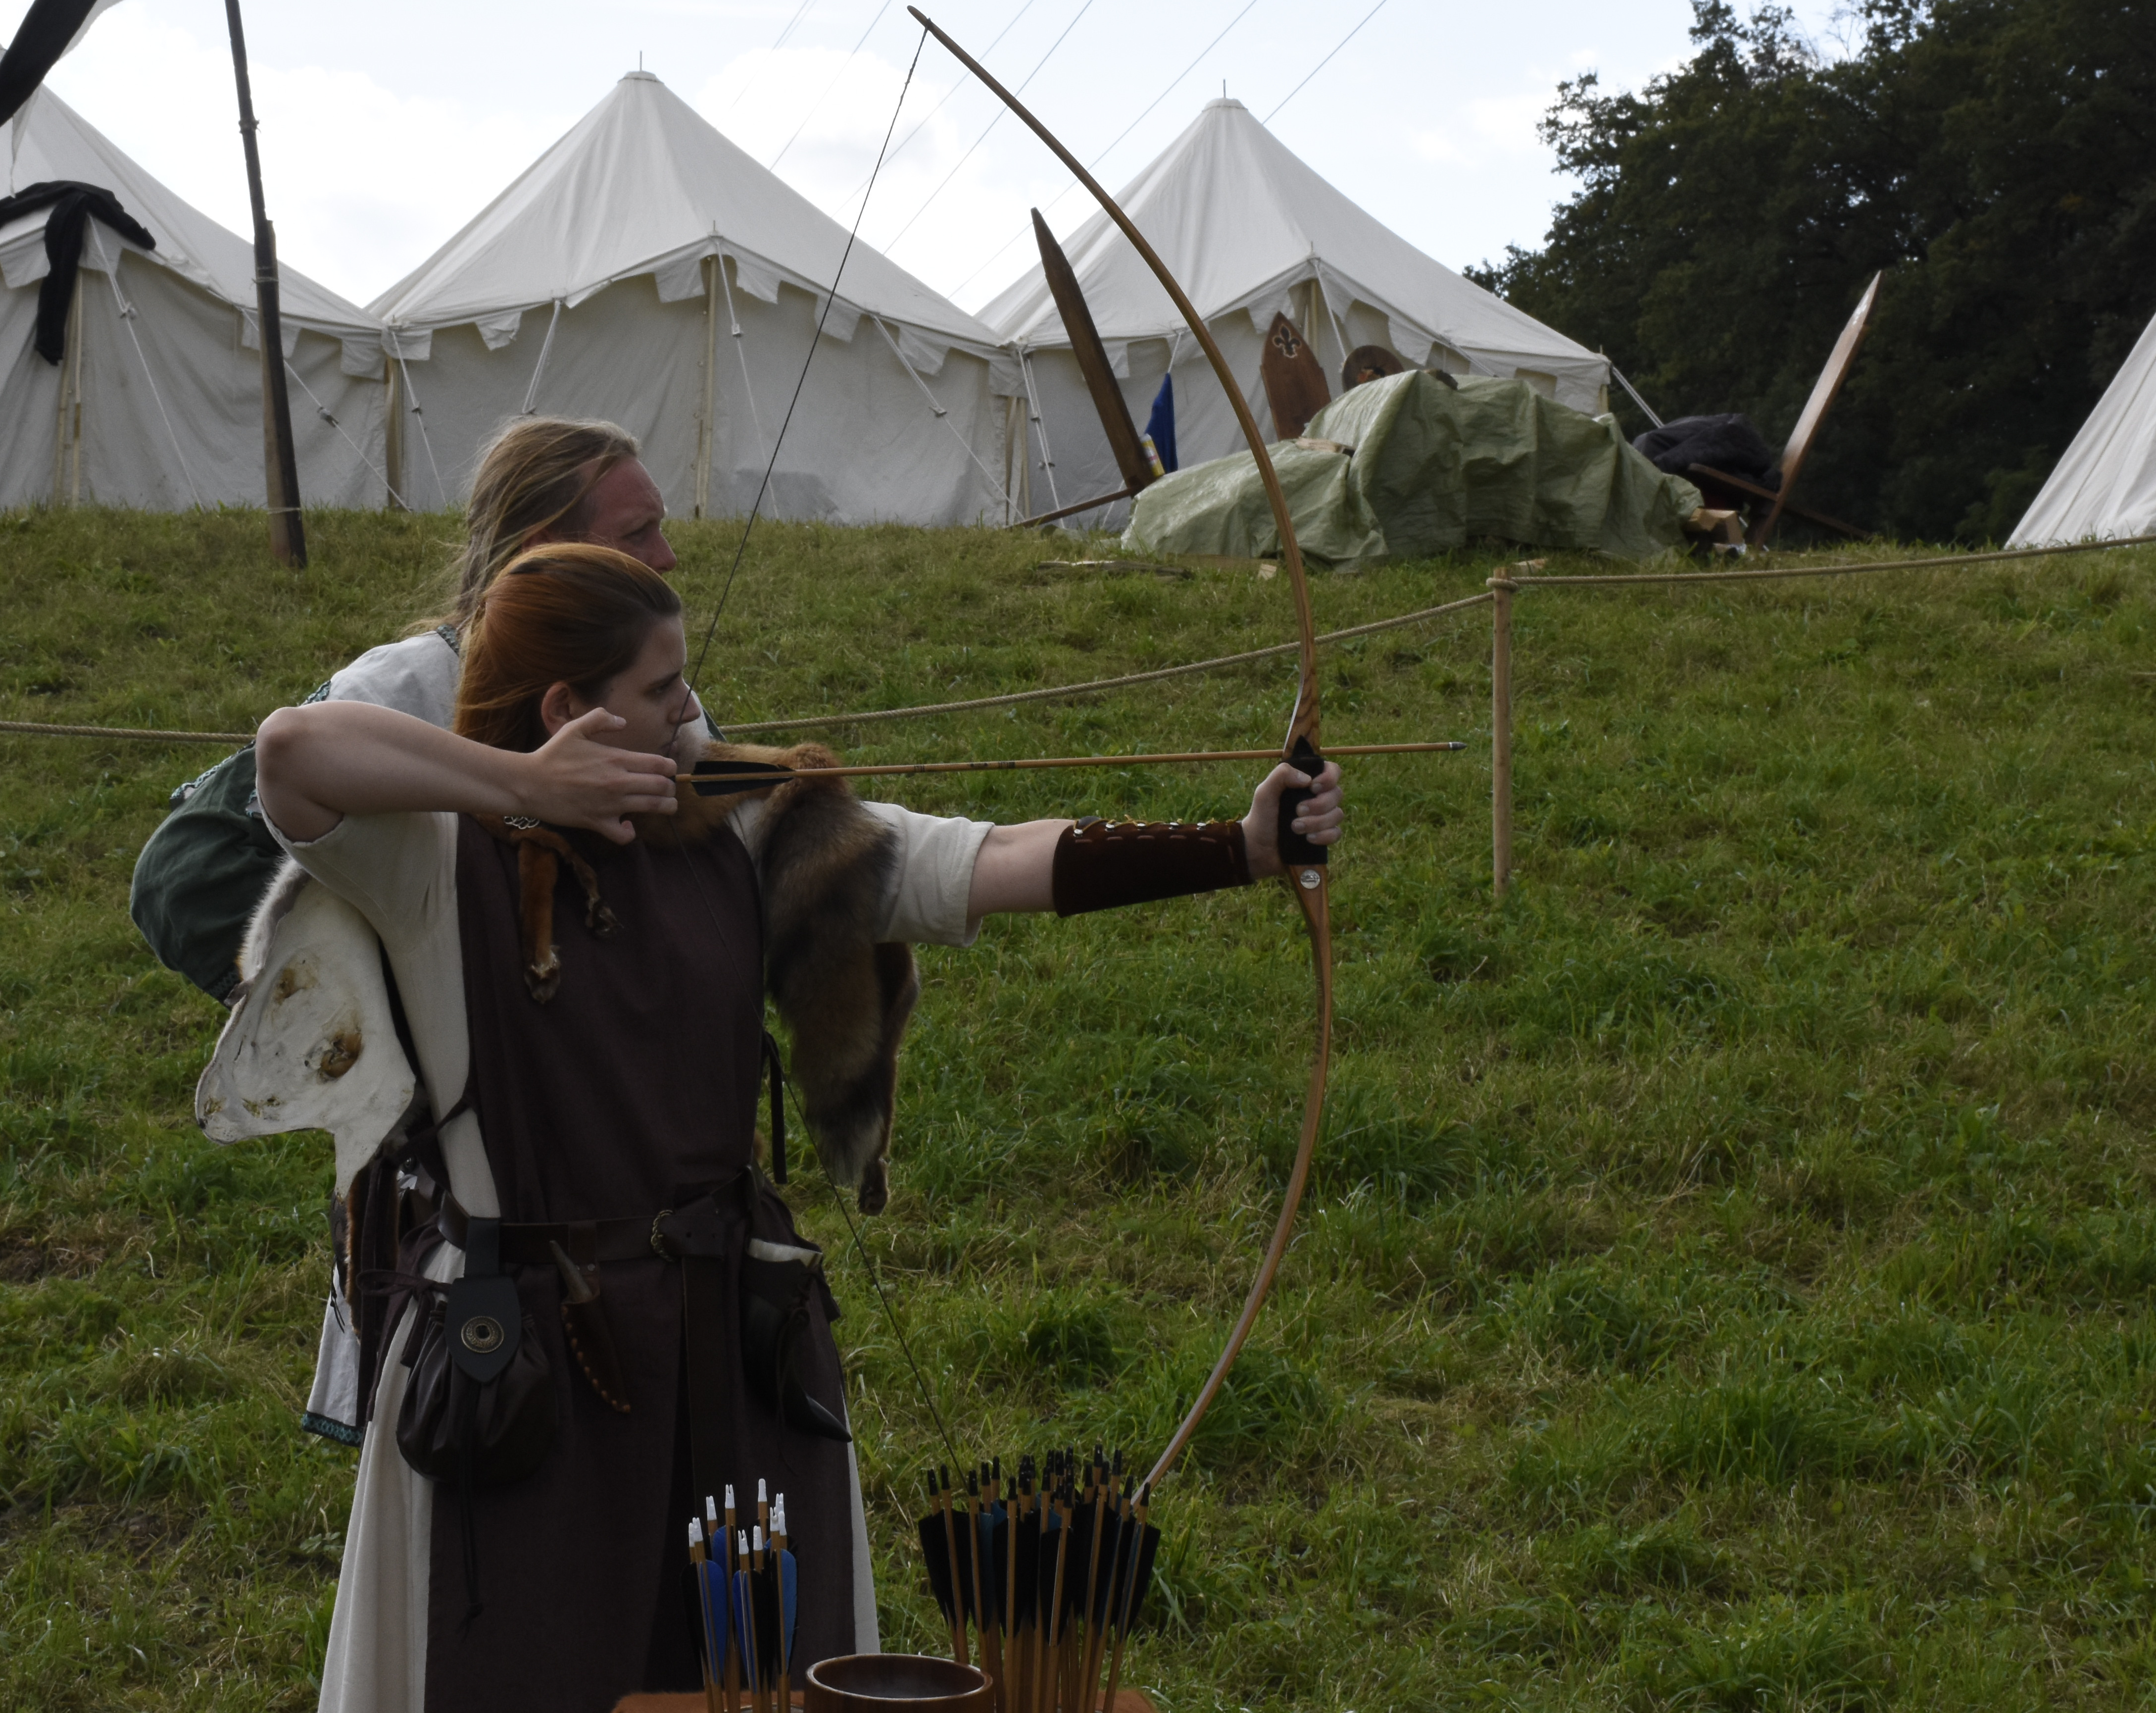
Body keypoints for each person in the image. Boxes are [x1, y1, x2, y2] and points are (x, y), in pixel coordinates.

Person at [253, 544, 1344, 1713]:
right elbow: (291, 753)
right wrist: (524, 785)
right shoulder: (435, 856)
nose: (692, 710)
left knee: (752, 1680)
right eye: (662, 688)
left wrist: (1236, 848)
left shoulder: (733, 818)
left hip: (730, 1333)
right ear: (568, 709)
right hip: (527, 1371)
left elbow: (968, 862)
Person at [129, 415, 698, 1448]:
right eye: (637, 532)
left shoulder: (651, 687)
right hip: (455, 1183)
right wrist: (396, 1021)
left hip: (614, 1156)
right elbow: (184, 872)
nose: (665, 556)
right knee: (455, 1452)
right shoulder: (404, 689)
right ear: (546, 549)